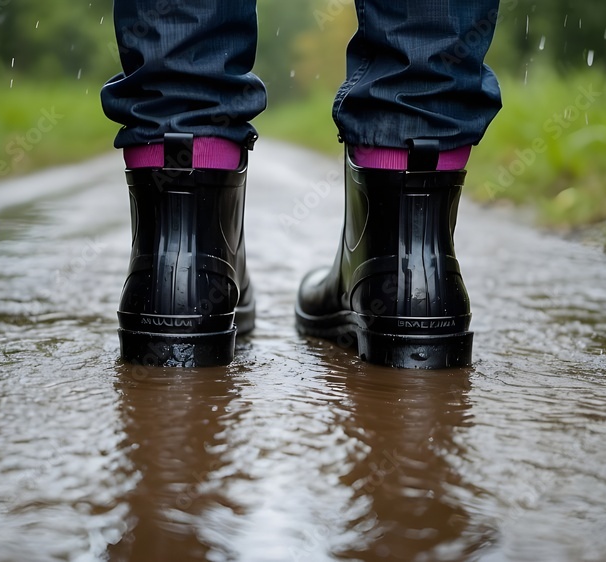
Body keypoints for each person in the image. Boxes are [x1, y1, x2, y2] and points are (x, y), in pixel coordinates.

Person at [102, 0, 502, 369]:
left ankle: (173, 277)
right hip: (437, 291)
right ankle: (407, 288)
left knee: (177, 87)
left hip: (156, 291)